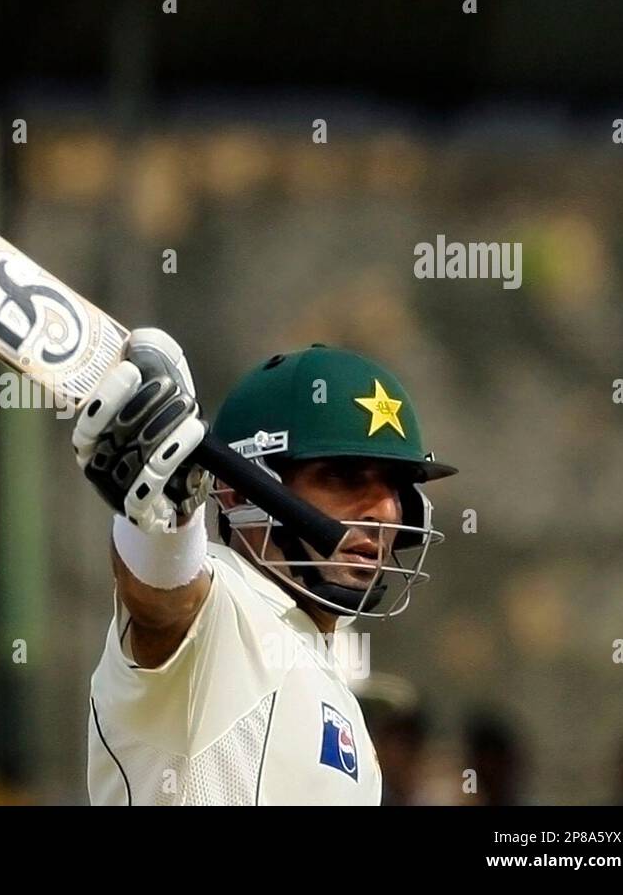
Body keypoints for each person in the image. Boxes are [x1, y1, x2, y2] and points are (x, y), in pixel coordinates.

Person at [75, 332, 456, 805]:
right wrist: (166, 520)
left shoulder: (332, 682)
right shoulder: (224, 614)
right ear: (238, 492)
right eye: (342, 476)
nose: (384, 510)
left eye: (397, 486)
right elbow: (163, 603)